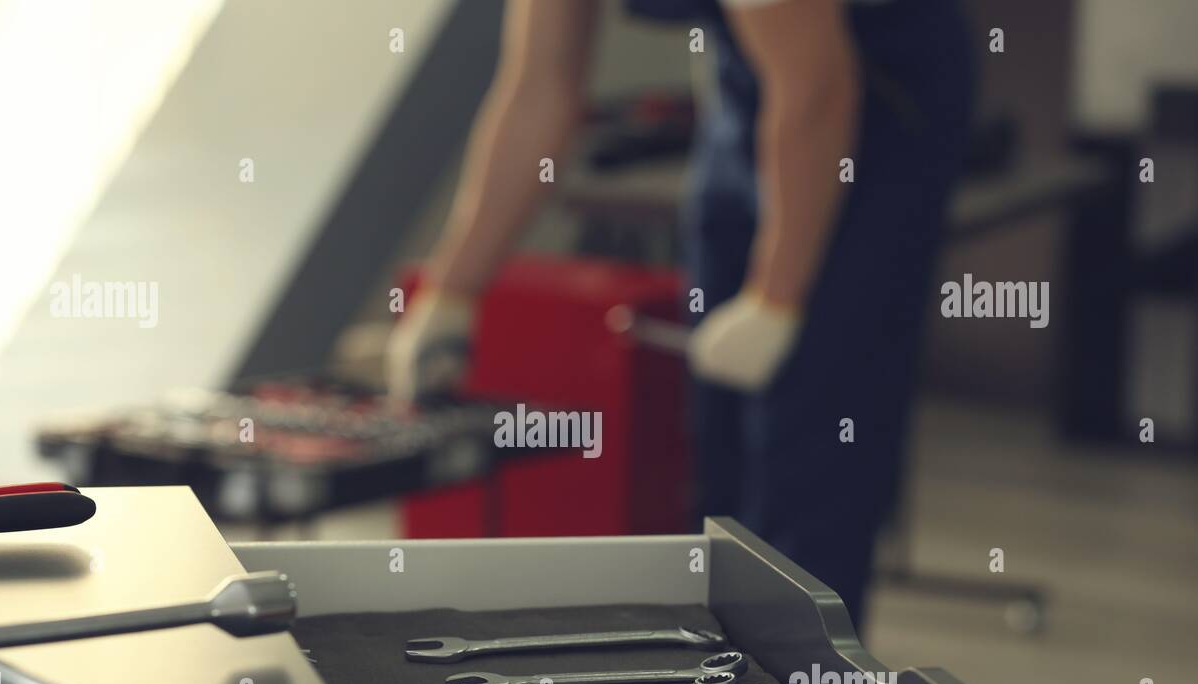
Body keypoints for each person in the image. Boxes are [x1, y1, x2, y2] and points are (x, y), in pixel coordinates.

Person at [385, 0, 974, 629]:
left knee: (813, 442)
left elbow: (816, 92)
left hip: (872, 93)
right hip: (750, 86)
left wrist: (777, 301)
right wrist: (451, 293)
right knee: (715, 447)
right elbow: (538, 87)